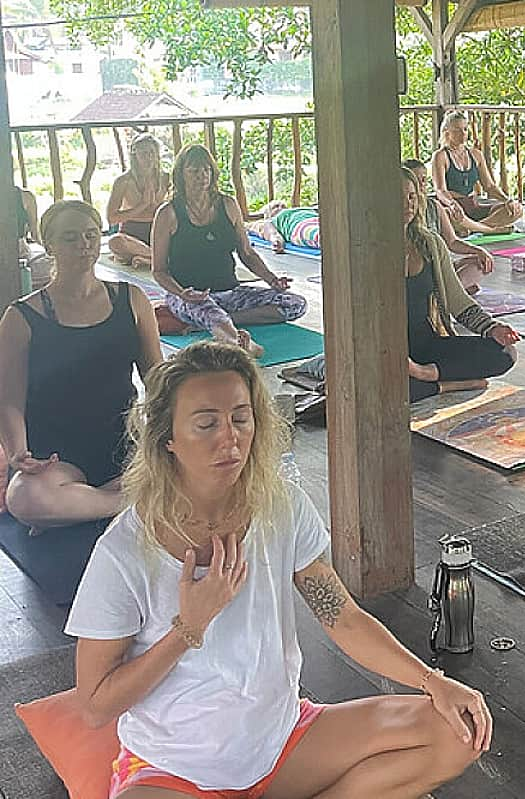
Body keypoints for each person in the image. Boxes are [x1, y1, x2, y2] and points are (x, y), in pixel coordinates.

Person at [65, 341, 489, 798]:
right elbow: (95, 706)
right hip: (175, 771)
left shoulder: (279, 505)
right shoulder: (124, 552)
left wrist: (433, 682)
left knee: (457, 730)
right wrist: (188, 627)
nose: (229, 438)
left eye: (240, 418)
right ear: (167, 437)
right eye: (206, 423)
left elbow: (341, 616)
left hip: (284, 744)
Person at [0, 200, 161, 529]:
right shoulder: (21, 317)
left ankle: (86, 502)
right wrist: (19, 451)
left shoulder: (131, 300)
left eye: (90, 235)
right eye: (70, 237)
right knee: (25, 498)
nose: (83, 245)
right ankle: (128, 499)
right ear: (50, 245)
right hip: (58, 456)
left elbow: (158, 379)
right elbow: (9, 400)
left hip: (123, 444)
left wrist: (168, 435)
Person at [151, 144, 307, 359]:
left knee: (295, 304)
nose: (202, 176)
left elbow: (247, 253)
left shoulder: (227, 204)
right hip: (190, 295)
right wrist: (180, 292)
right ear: (181, 175)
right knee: (209, 311)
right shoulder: (168, 213)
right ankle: (240, 343)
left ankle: (223, 321)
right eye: (194, 171)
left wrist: (272, 280)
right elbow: (159, 271)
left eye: (206, 170)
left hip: (231, 292)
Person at [399, 166, 518, 402]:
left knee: (505, 353)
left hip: (427, 346)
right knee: (381, 392)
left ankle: (426, 374)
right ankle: (448, 384)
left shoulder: (429, 243)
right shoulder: (369, 251)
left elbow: (458, 301)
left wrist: (492, 328)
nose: (408, 204)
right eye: (399, 198)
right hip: (388, 352)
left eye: (412, 196)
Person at [405, 158, 494, 295]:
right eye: (417, 179)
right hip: (420, 272)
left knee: (481, 263)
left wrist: (478, 251)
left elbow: (452, 241)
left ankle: (452, 290)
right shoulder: (405, 210)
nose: (422, 184)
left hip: (442, 267)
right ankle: (455, 291)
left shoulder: (434, 206)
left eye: (424, 179)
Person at [430, 110, 522, 236]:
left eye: (465, 129)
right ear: (447, 131)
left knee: (516, 210)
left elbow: (489, 186)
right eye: (457, 130)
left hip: (473, 206)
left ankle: (474, 229)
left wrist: (508, 200)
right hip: (454, 208)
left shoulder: (476, 154)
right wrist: (452, 204)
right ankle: (489, 228)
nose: (463, 133)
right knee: (448, 216)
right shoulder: (440, 156)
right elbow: (440, 190)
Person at [107, 133, 169, 270]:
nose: (149, 158)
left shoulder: (165, 178)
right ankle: (158, 259)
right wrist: (143, 206)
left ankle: (147, 259)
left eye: (152, 153)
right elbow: (112, 218)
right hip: (132, 234)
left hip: (158, 230)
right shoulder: (123, 181)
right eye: (144, 153)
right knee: (115, 242)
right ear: (135, 155)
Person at [246, 200, 320, 254]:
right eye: (276, 207)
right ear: (267, 214)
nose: (280, 208)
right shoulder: (271, 221)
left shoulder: (298, 210)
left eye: (283, 206)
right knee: (321, 236)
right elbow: (263, 229)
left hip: (318, 219)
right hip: (299, 226)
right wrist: (276, 240)